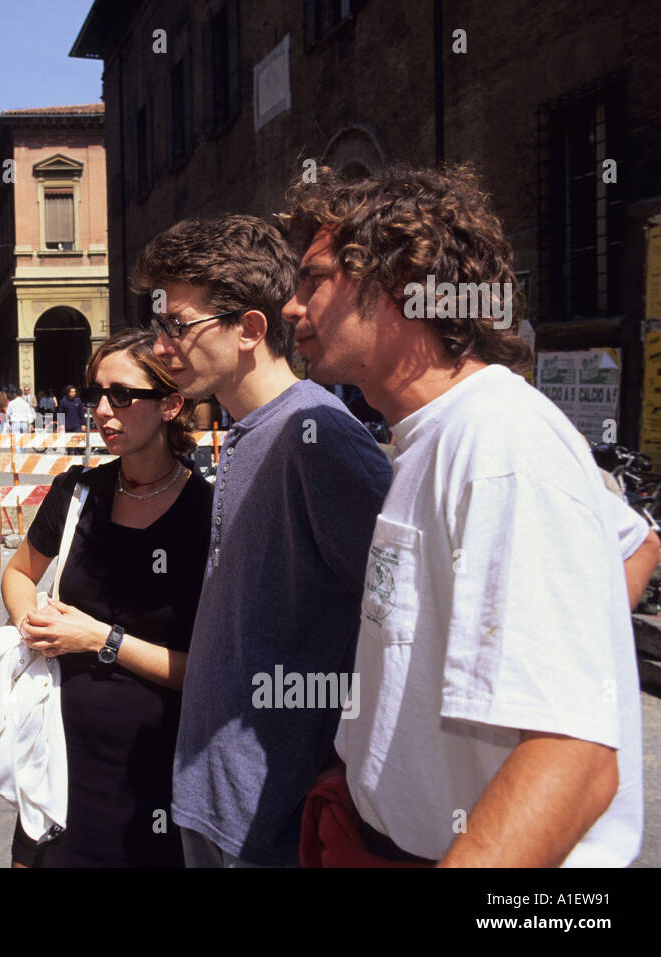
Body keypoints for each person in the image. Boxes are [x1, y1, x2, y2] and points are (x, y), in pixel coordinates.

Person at [281, 163, 656, 867]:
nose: (292, 307)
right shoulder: (435, 433)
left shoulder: (497, 441)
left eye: (314, 278)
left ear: (397, 281)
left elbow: (573, 756)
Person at [137, 213, 393, 867]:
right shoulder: (252, 430)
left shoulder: (318, 436)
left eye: (176, 326)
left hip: (272, 824)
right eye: (155, 325)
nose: (159, 346)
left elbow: (401, 626)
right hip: (220, 807)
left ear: (250, 328)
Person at [2, 328, 212, 867]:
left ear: (170, 405)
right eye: (97, 392)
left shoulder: (207, 515)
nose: (101, 410)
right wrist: (36, 622)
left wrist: (99, 639)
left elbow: (209, 670)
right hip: (57, 766)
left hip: (154, 776)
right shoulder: (78, 492)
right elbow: (19, 574)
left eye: (122, 395)